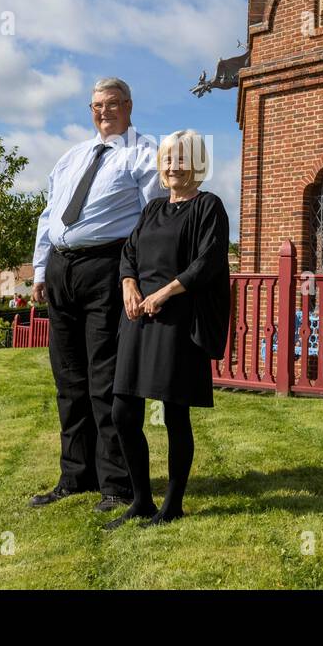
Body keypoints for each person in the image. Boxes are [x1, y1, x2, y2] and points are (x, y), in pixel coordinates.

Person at [28, 78, 166, 512]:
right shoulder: (72, 157)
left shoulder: (144, 153)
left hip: (107, 268)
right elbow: (49, 213)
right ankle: (75, 476)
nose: (102, 112)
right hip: (62, 269)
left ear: (127, 105)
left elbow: (153, 218)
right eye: (95, 105)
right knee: (68, 379)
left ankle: (116, 483)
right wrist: (39, 268)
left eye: (110, 104)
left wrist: (137, 277)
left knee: (105, 379)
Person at [105, 129, 230, 528]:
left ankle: (172, 505)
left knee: (175, 415)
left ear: (197, 164)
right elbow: (129, 253)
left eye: (182, 158)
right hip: (139, 319)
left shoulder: (209, 206)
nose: (173, 166)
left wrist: (165, 293)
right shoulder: (153, 209)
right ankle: (141, 499)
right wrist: (129, 283)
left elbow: (207, 262)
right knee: (123, 412)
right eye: (168, 159)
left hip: (178, 319)